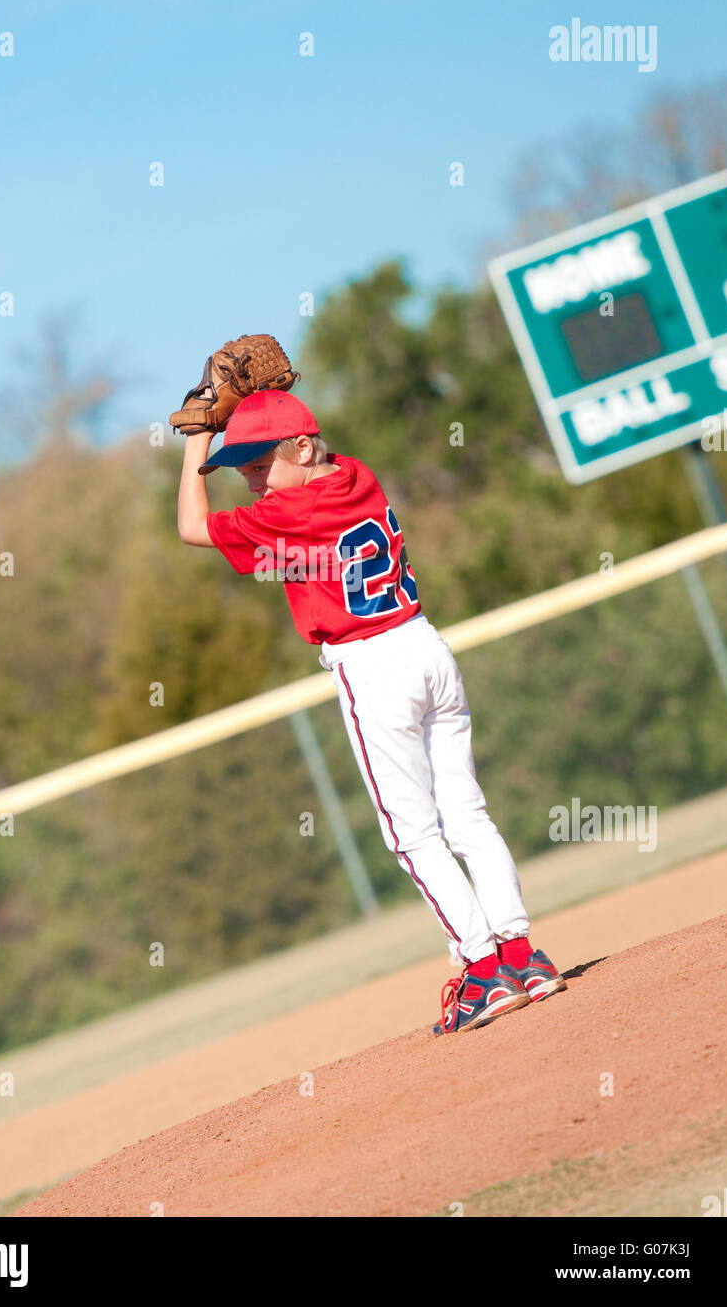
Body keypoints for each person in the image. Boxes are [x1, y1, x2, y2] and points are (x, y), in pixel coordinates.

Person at [177, 388, 566, 1033]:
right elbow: (302, 547)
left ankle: (481, 971)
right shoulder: (358, 475)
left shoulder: (287, 512)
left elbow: (192, 527)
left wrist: (195, 439)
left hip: (373, 667)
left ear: (302, 447)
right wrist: (261, 412)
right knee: (467, 814)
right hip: (425, 645)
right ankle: (524, 957)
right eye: (239, 466)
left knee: (411, 834)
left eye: (257, 461)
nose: (249, 478)